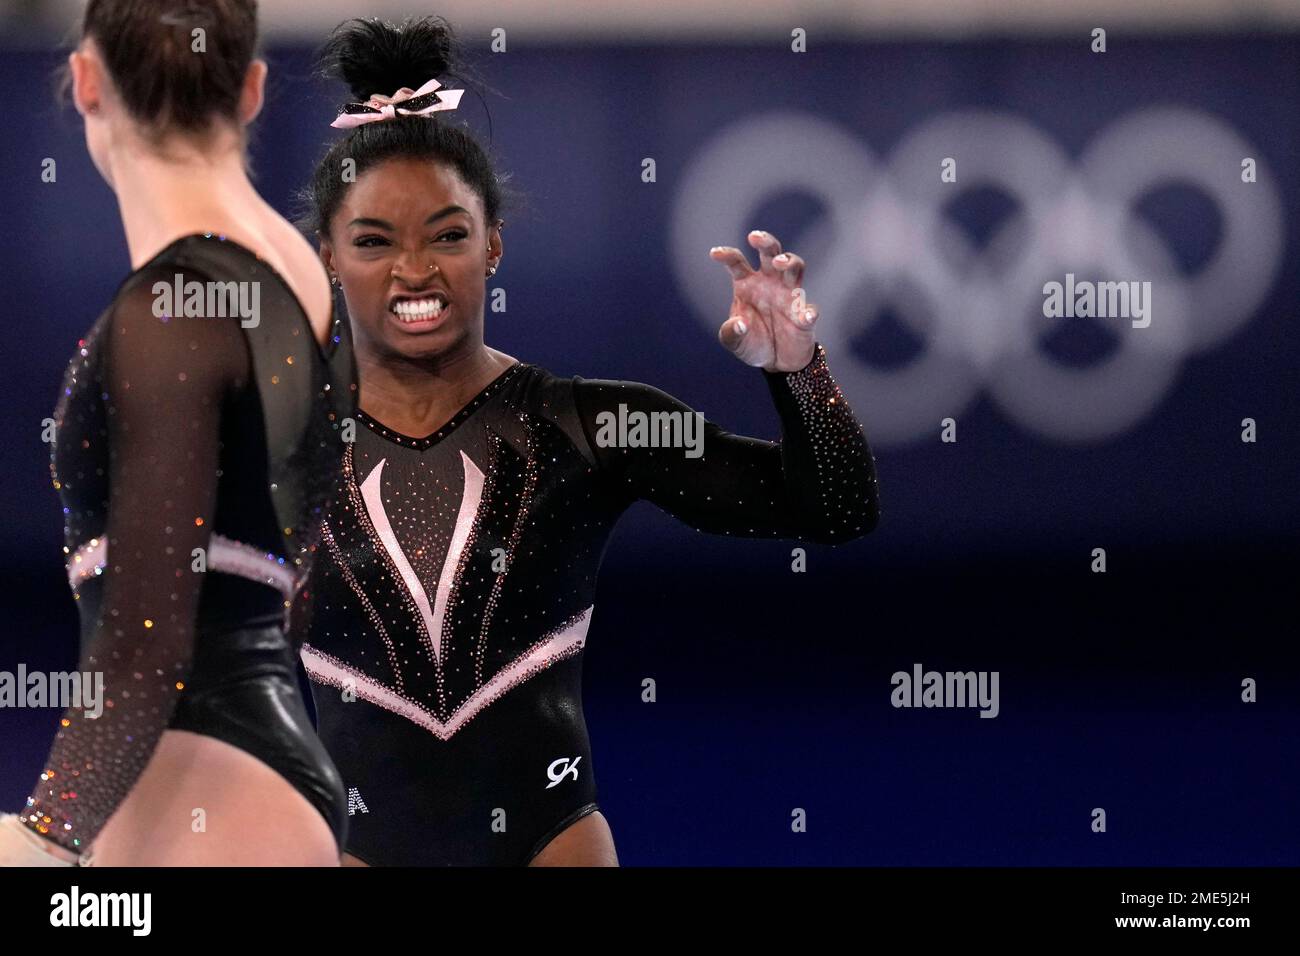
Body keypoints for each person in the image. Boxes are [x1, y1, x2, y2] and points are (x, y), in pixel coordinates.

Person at [299, 16, 880, 866]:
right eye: (374, 241)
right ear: (328, 256)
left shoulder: (592, 424)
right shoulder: (278, 440)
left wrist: (796, 371)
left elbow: (835, 507)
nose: (414, 270)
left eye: (448, 235)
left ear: (492, 245)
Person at [0, 0, 355, 867]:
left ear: (86, 81)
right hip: (240, 787)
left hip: (214, 803)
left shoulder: (173, 306)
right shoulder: (298, 270)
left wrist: (48, 842)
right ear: (253, 90)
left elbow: (144, 643)